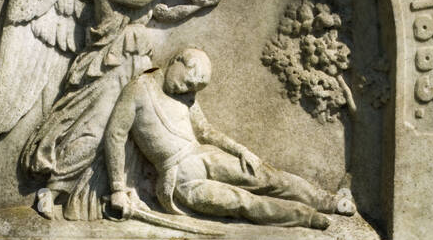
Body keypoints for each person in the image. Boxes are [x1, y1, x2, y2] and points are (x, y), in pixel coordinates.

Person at [20, 0, 194, 220]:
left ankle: (123, 192)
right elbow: (139, 0)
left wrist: (199, 3)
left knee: (131, 135)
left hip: (137, 67)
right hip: (109, 66)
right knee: (95, 129)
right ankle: (53, 189)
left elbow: (160, 11)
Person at [105, 48, 354, 230]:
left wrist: (239, 150)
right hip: (179, 178)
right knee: (243, 202)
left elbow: (205, 131)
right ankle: (306, 217)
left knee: (266, 176)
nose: (187, 90)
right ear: (177, 62)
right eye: (187, 83)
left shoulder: (186, 95)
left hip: (203, 155)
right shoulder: (139, 89)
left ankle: (328, 201)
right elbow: (115, 135)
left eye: (194, 87)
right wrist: (117, 189)